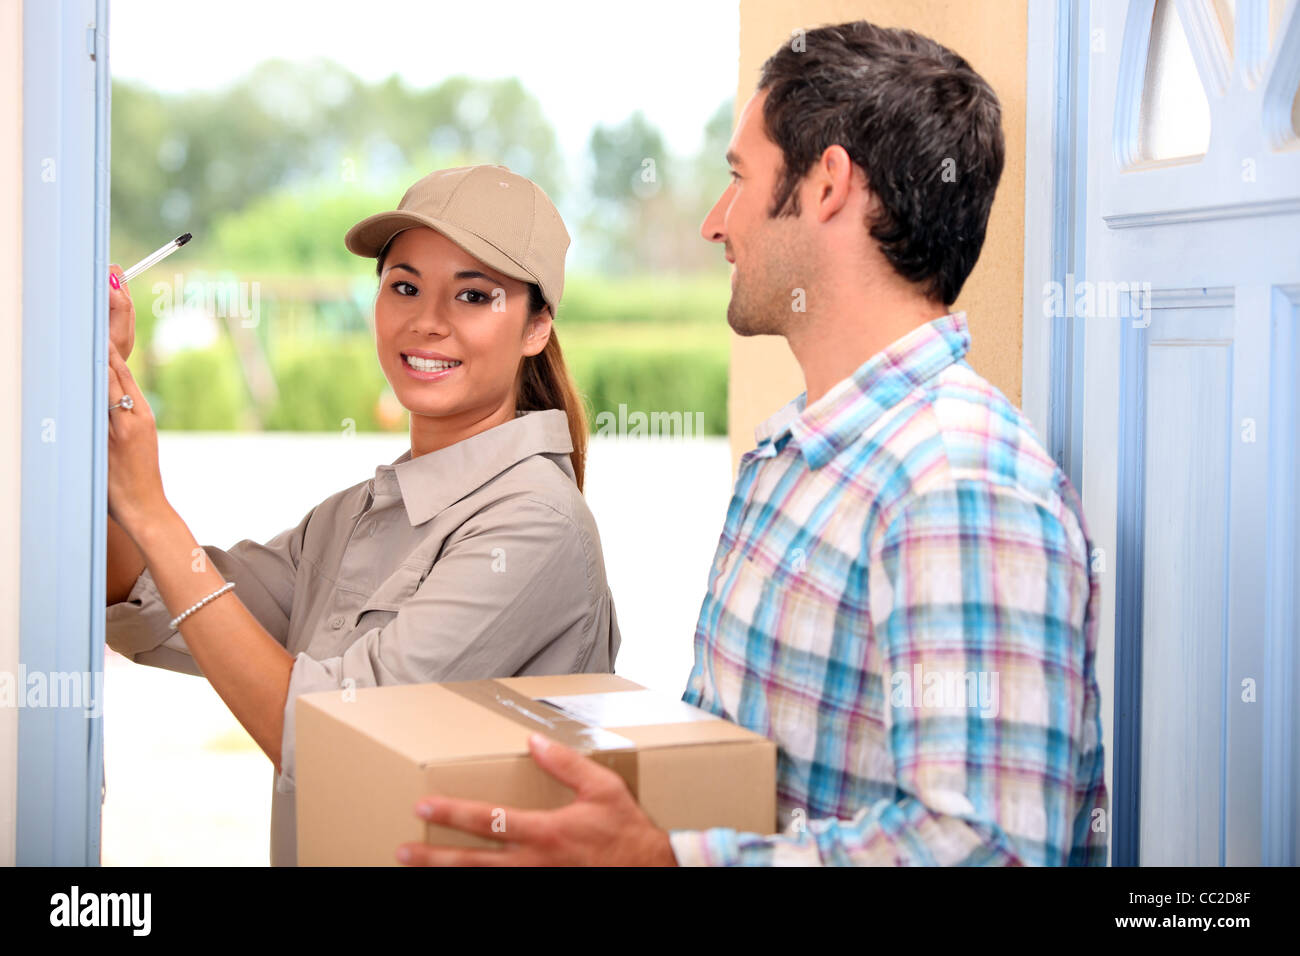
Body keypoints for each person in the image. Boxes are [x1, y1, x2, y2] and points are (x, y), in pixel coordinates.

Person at [399, 21, 1108, 867]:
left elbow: (991, 847)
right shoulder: (792, 459)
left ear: (827, 186)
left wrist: (667, 863)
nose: (714, 222)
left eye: (739, 177)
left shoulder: (958, 481)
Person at [105, 164, 621, 867]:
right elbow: (147, 606)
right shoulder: (357, 515)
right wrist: (103, 386)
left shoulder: (535, 525)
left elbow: (327, 738)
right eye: (404, 286)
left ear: (537, 327)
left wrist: (151, 508)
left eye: (474, 295)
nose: (427, 320)